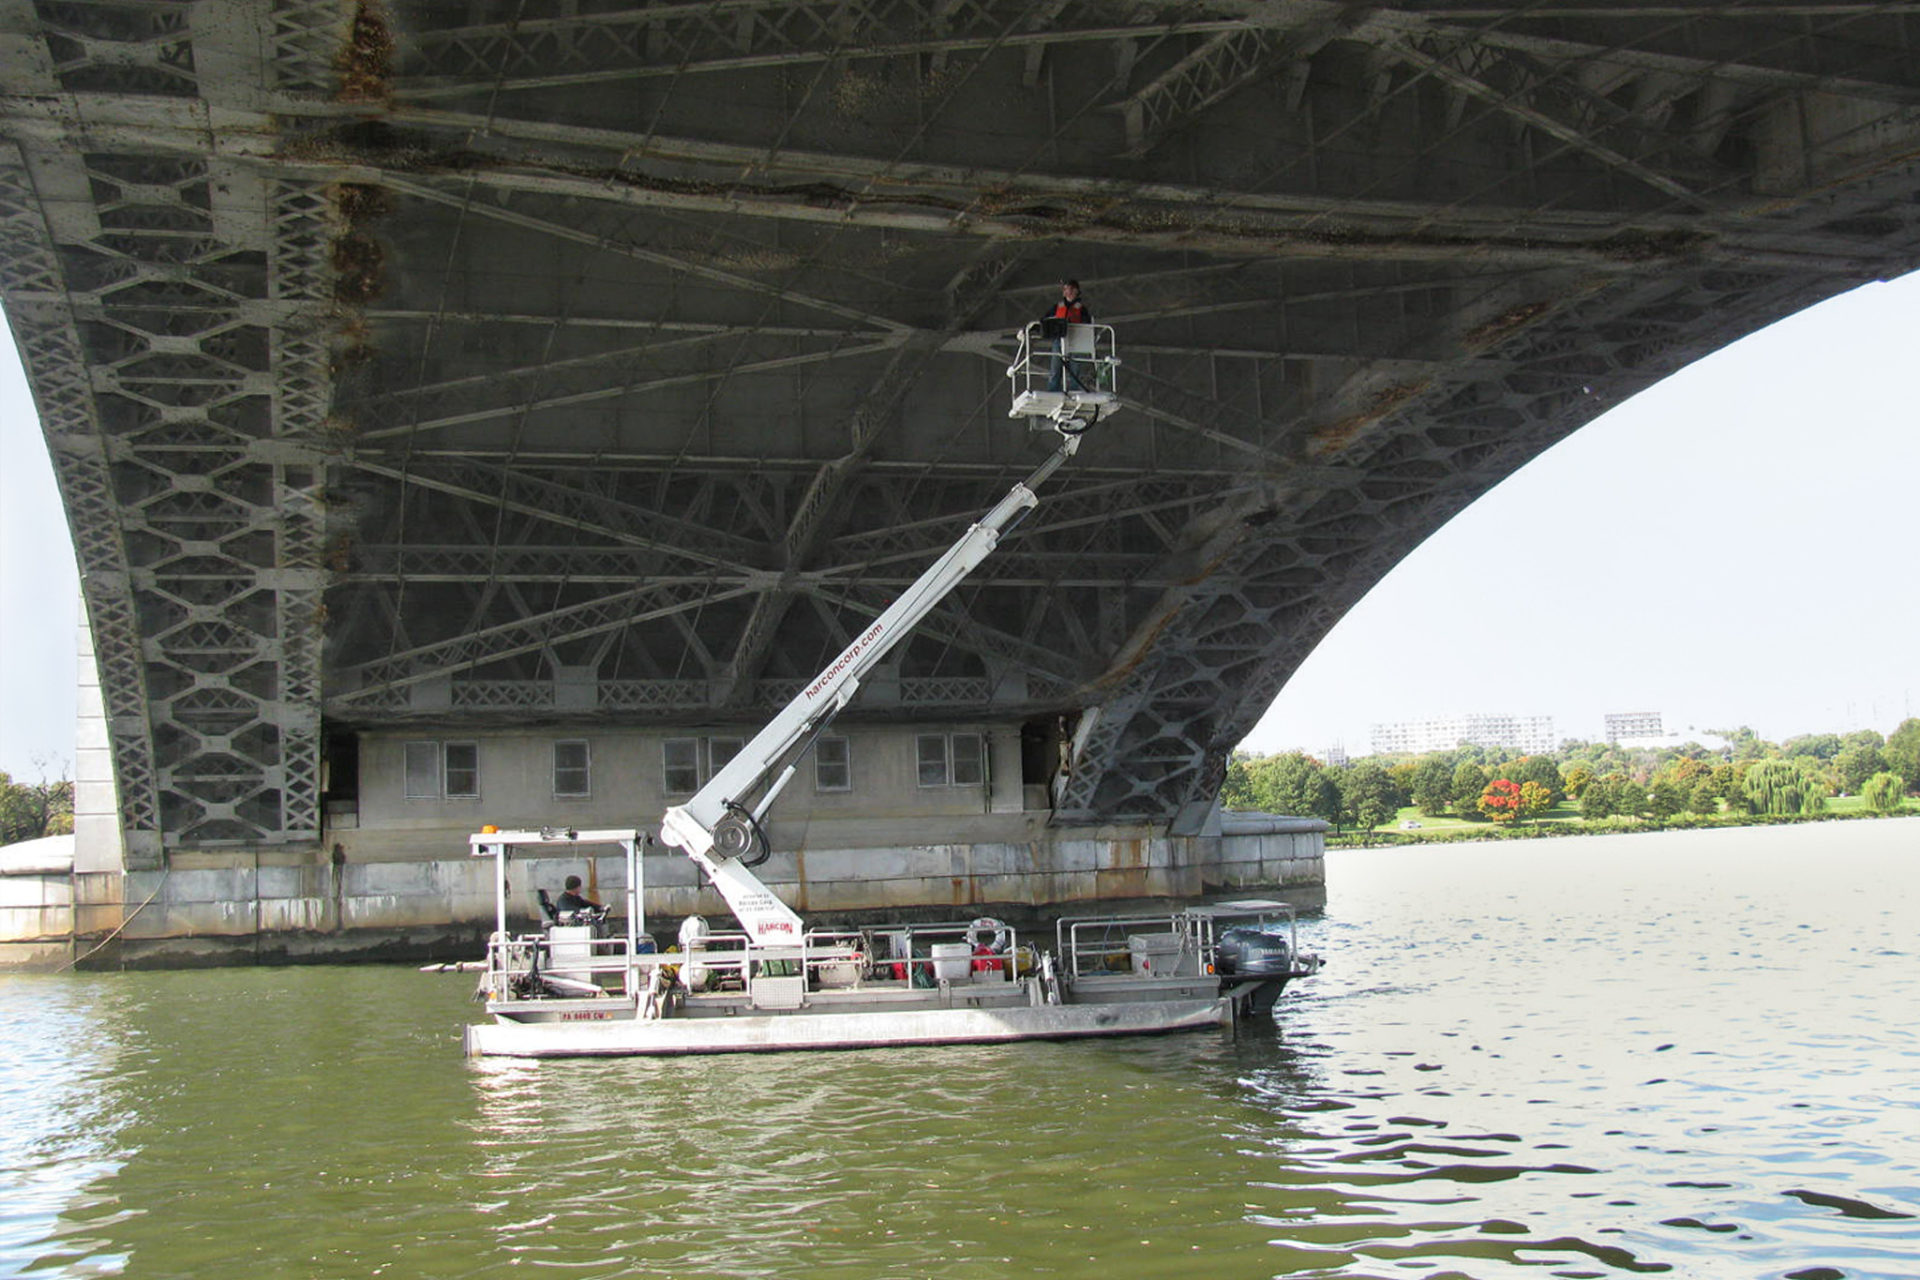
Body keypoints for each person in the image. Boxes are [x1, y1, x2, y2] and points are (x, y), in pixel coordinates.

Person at [1042, 279, 1093, 392]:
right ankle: (1053, 389)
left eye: (1068, 289)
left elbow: (1087, 324)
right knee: (1055, 366)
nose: (1066, 292)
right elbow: (1045, 319)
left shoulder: (1081, 309)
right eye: (1064, 289)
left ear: (1075, 291)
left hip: (1076, 340)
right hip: (1059, 339)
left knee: (1075, 368)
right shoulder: (1057, 307)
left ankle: (1073, 389)